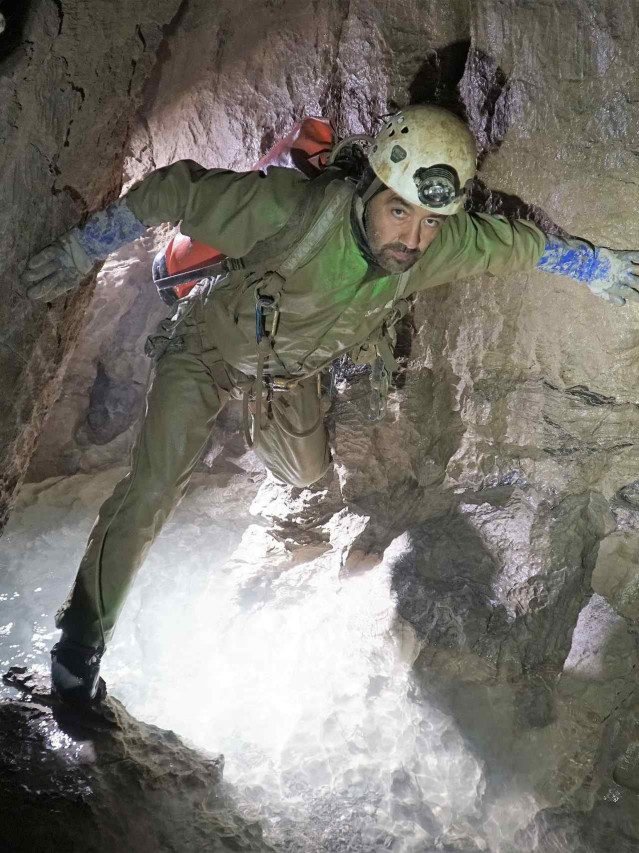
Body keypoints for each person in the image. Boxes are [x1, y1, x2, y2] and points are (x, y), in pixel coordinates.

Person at [21, 105, 639, 706]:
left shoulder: (438, 247)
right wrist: (82, 249)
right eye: (399, 212)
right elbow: (173, 188)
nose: (412, 239)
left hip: (286, 376)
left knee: (304, 475)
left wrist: (594, 266)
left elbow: (516, 244)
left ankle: (259, 431)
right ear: (371, 189)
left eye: (431, 221)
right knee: (154, 488)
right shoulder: (287, 209)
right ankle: (79, 646)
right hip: (206, 351)